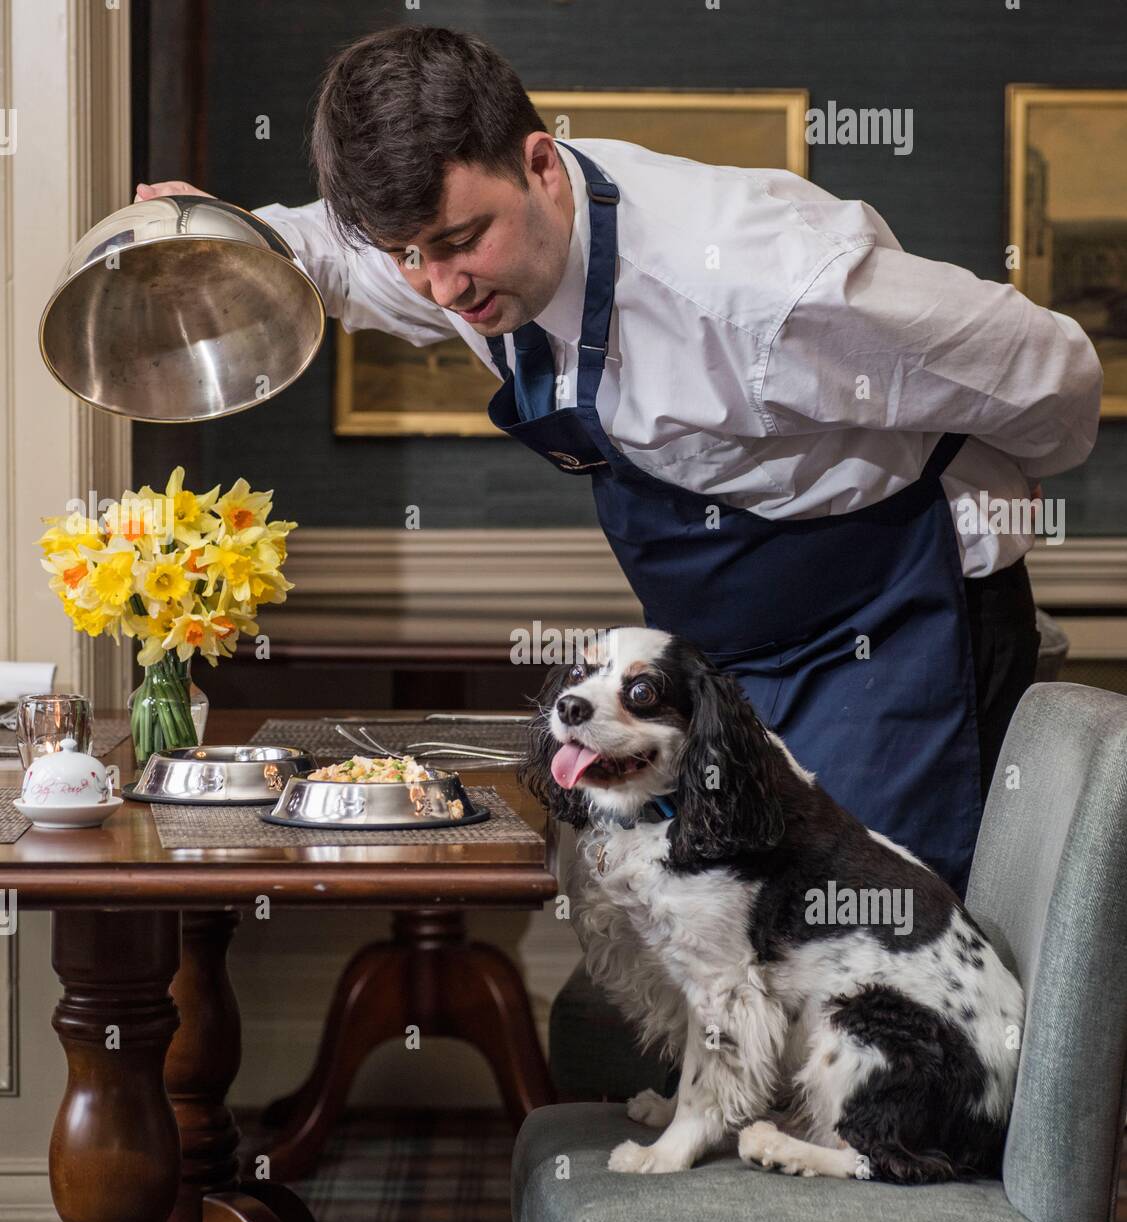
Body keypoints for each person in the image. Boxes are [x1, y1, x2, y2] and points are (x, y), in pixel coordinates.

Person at [137, 24, 1102, 898]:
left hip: (893, 632)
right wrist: (236, 238)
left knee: (875, 950)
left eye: (461, 242)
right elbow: (331, 253)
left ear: (541, 165)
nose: (439, 288)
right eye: (409, 255)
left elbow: (1048, 369)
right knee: (736, 937)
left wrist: (996, 502)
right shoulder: (458, 266)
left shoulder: (765, 287)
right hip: (717, 664)